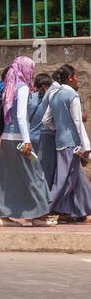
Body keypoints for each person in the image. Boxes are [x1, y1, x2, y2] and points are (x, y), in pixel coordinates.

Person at [0, 56, 52, 226]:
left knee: (7, 178)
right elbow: (21, 116)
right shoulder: (23, 88)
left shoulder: (9, 87)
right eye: (31, 69)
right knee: (36, 174)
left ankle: (4, 215)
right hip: (20, 140)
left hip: (7, 139)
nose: (32, 73)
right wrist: (27, 142)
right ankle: (39, 216)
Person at [44, 65, 91, 221]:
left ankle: (74, 211)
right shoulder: (73, 96)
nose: (77, 80)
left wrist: (60, 128)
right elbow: (78, 123)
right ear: (70, 78)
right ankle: (43, 209)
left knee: (73, 179)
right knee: (64, 180)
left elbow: (46, 121)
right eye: (76, 76)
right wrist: (86, 147)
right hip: (72, 143)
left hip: (60, 142)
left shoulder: (54, 95)